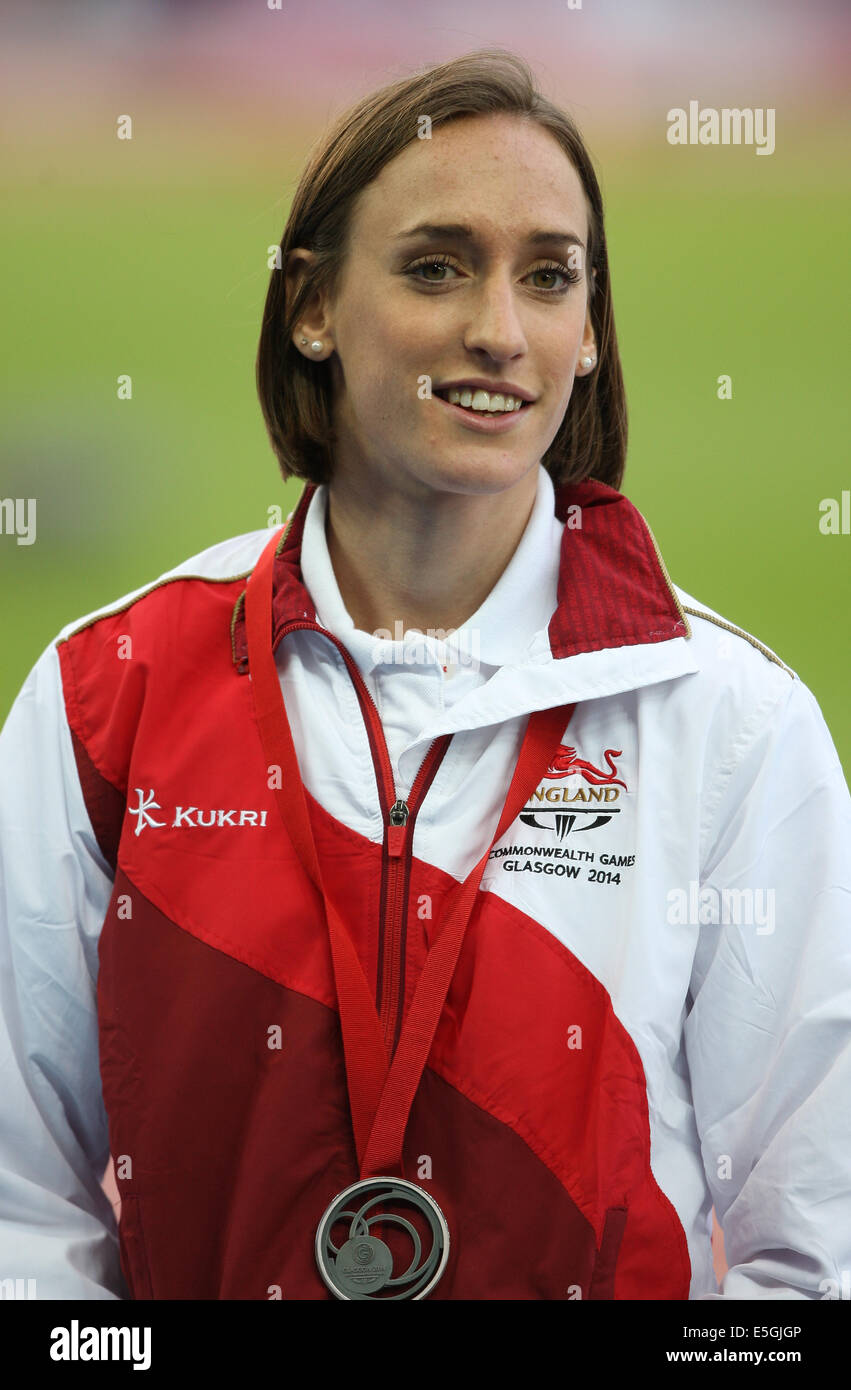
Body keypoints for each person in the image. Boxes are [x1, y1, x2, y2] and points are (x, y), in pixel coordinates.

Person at [0, 48, 849, 1303]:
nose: (498, 331)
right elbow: (21, 1214)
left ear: (588, 334)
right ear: (311, 307)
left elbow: (811, 1252)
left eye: (548, 277)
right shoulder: (104, 692)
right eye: (436, 267)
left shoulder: (730, 721)